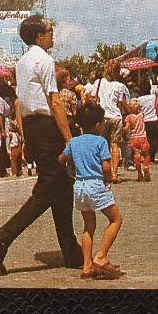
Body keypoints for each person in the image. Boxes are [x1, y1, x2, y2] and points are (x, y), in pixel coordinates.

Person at [0, 15, 83, 274]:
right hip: (47, 128)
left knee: (62, 188)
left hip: (32, 127)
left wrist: (26, 136)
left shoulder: (22, 63)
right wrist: (69, 140)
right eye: (50, 31)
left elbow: (20, 103)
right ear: (39, 36)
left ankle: (71, 251)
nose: (53, 34)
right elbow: (55, 102)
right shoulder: (45, 61)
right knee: (48, 189)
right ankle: (2, 237)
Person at [59, 102, 124, 279]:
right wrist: (108, 180)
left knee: (88, 225)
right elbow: (106, 167)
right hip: (96, 184)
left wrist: (72, 163)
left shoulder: (74, 142)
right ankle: (101, 256)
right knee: (116, 219)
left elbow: (61, 158)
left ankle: (87, 265)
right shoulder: (100, 141)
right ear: (98, 124)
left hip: (79, 186)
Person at [91, 62, 129, 183]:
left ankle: (102, 173)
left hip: (102, 117)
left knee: (102, 145)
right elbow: (121, 103)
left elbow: (93, 98)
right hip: (116, 117)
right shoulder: (119, 86)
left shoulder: (98, 83)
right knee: (115, 145)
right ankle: (113, 173)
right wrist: (129, 112)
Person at [125, 100, 149, 182]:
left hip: (133, 138)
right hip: (143, 137)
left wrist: (123, 130)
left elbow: (126, 129)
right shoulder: (141, 115)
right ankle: (146, 166)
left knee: (136, 155)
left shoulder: (128, 117)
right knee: (146, 154)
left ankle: (139, 174)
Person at [137, 81, 158, 165]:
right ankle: (152, 157)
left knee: (146, 140)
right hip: (154, 119)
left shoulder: (139, 99)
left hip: (145, 120)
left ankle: (146, 156)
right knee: (153, 140)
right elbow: (157, 93)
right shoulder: (153, 97)